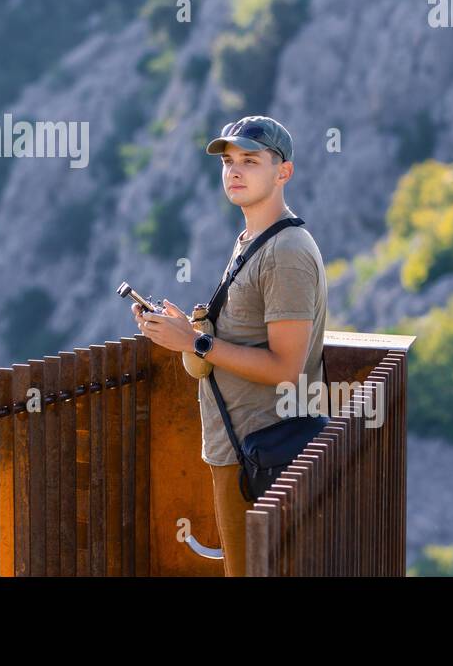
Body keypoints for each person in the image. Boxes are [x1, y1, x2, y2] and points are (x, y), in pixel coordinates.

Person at [133, 115, 327, 576]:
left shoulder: (287, 253)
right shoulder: (250, 241)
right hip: (245, 452)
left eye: (250, 161)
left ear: (284, 172)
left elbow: (286, 369)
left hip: (265, 456)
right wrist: (182, 332)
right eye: (228, 161)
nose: (234, 171)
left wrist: (197, 341)